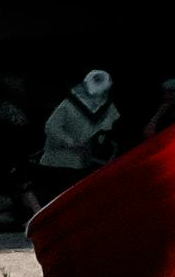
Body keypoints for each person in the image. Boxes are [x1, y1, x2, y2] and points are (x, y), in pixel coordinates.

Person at [30, 64, 119, 216]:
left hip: (86, 165)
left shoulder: (108, 108)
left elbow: (109, 130)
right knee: (56, 201)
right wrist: (71, 143)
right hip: (58, 163)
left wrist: (100, 144)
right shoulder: (68, 104)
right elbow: (51, 127)